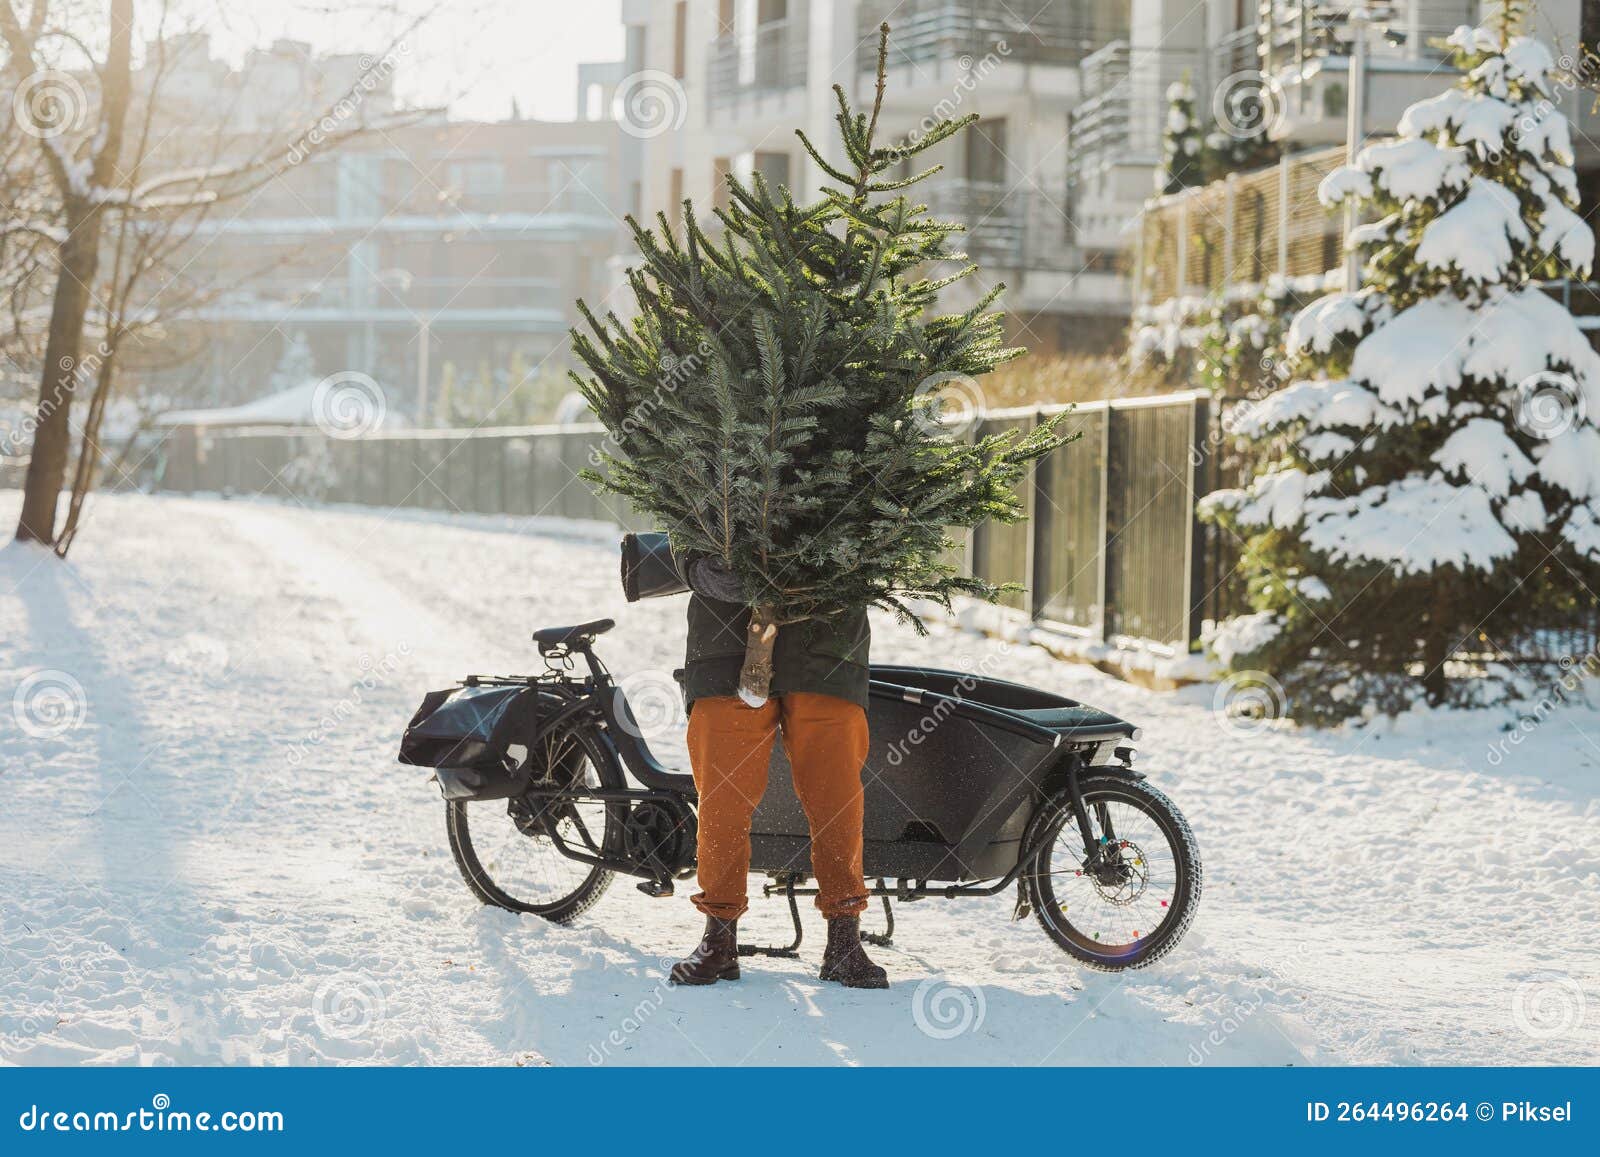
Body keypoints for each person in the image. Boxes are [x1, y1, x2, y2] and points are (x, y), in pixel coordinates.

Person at [666, 555, 888, 989]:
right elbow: (677, 507)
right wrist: (697, 566)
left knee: (836, 797)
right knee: (722, 798)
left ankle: (844, 938)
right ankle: (719, 937)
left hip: (827, 641)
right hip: (724, 640)